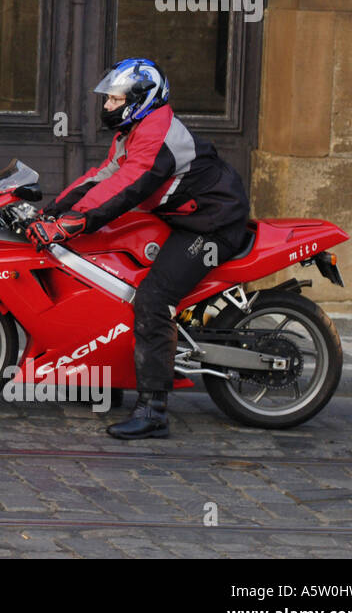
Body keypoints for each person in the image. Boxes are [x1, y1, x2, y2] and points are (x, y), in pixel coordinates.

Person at [27, 58, 250, 440]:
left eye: (114, 99)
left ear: (140, 99)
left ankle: (154, 410)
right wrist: (52, 211)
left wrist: (75, 223)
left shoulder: (158, 138)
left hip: (212, 224)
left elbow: (128, 186)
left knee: (152, 297)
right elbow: (101, 178)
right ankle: (103, 382)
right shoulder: (133, 132)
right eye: (108, 99)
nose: (107, 106)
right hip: (180, 216)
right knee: (107, 272)